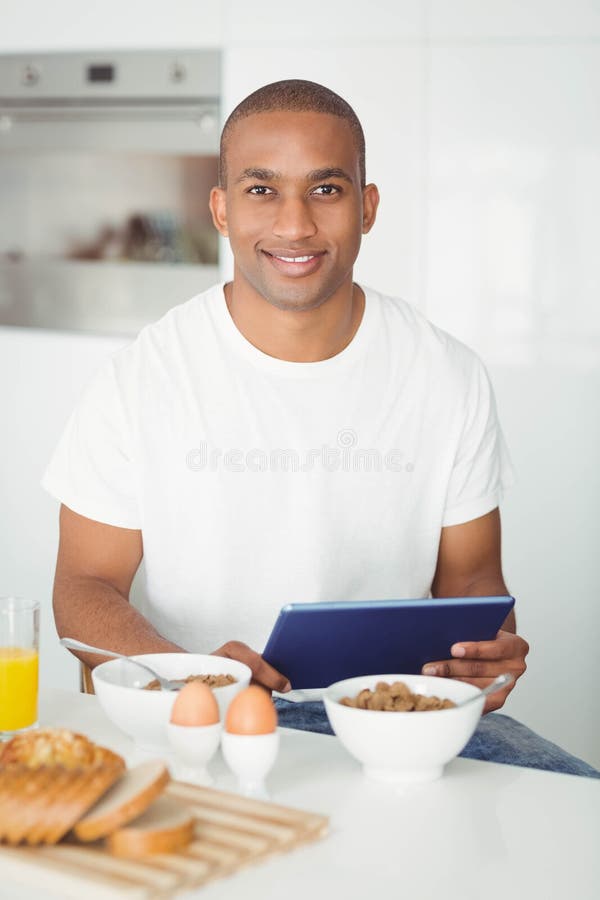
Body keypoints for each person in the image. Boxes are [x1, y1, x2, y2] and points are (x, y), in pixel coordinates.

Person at [43, 80, 597, 777]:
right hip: (198, 721)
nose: (295, 224)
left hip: (390, 723)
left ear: (367, 207)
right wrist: (183, 674)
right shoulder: (141, 375)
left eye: (327, 190)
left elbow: (474, 585)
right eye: (261, 189)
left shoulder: (448, 374)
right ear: (220, 209)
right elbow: (83, 588)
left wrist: (485, 654)